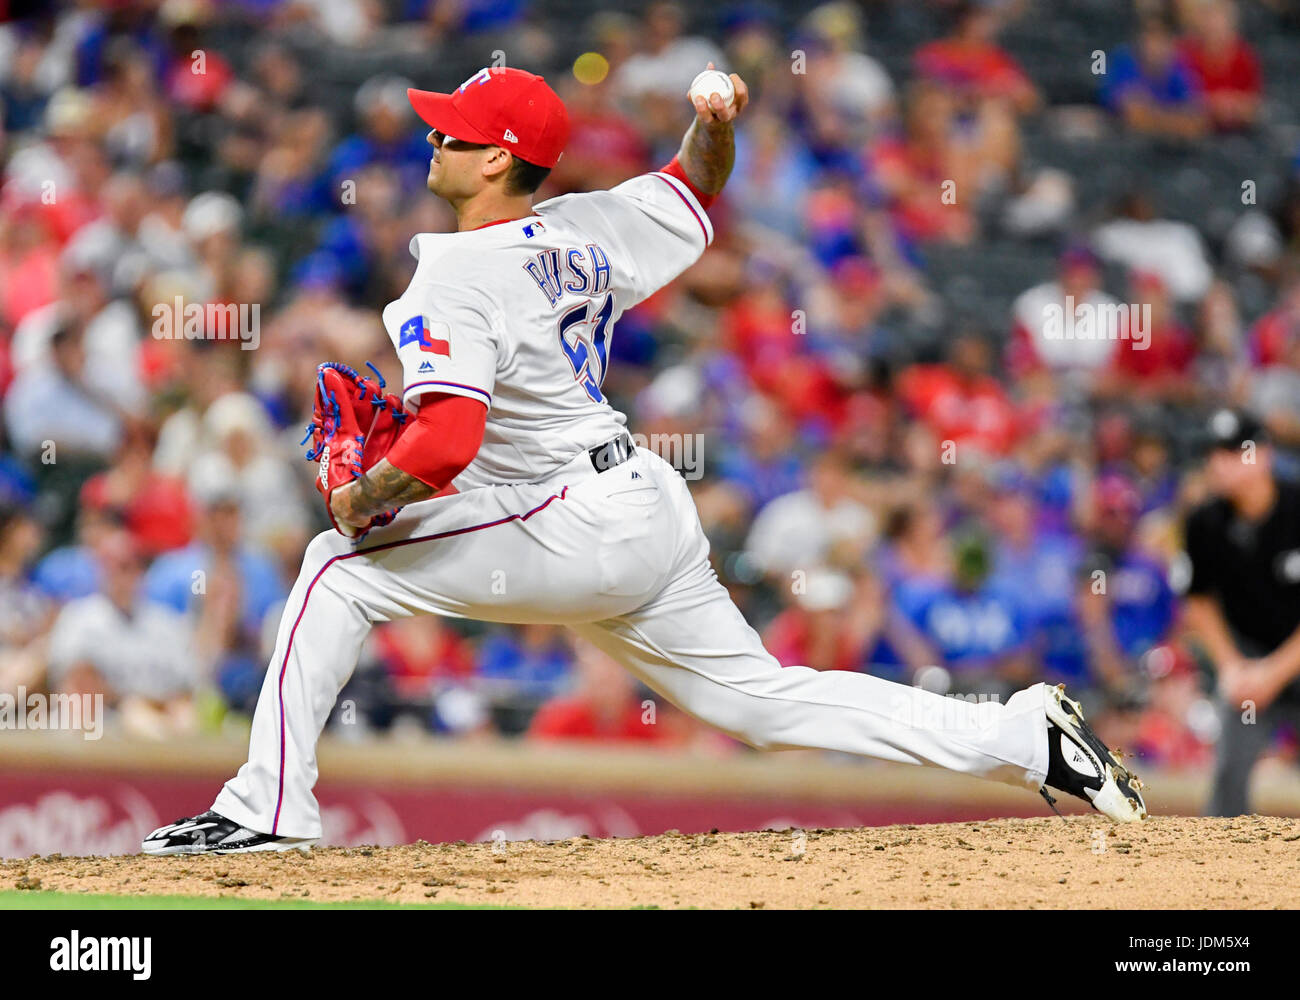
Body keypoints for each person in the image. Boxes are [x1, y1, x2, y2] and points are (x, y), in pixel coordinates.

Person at [143, 64, 1146, 856]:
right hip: (637, 507)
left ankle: (266, 804)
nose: (431, 136)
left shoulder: (456, 274)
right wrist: (712, 120)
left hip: (574, 515)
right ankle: (1019, 738)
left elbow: (445, 441)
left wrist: (363, 497)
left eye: (449, 128)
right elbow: (696, 183)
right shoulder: (585, 229)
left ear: (494, 158)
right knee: (758, 699)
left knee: (334, 564)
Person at [1178, 409, 1300, 816]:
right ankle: (1218, 870)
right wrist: (1231, 667)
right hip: (1248, 661)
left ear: (1262, 454)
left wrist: (1274, 673)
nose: (1218, 463)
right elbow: (1199, 600)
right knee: (1229, 771)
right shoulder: (1204, 522)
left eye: (1232, 452)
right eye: (1214, 453)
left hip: (1289, 656)